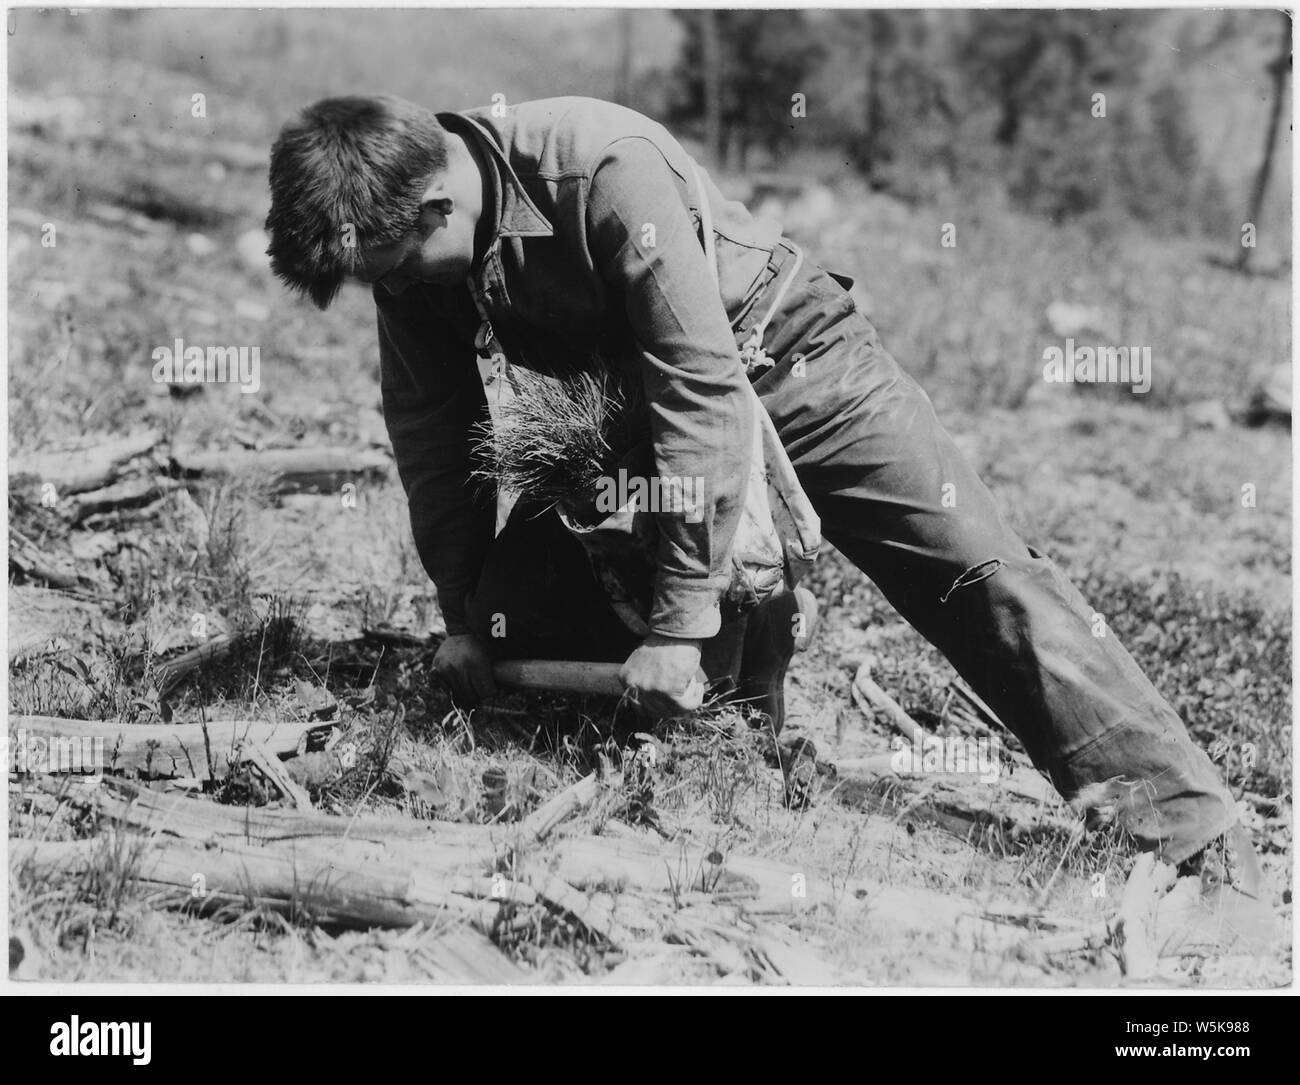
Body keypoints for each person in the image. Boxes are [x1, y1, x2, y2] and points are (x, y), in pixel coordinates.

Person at [264, 94, 1272, 943]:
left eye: (393, 269)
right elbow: (436, 441)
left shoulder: (601, 169)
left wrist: (678, 620)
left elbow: (699, 387)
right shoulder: (412, 256)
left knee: (970, 567)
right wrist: (457, 616)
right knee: (512, 612)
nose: (391, 293)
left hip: (792, 363)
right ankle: (744, 726)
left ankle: (1188, 832)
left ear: (438, 201)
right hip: (644, 412)